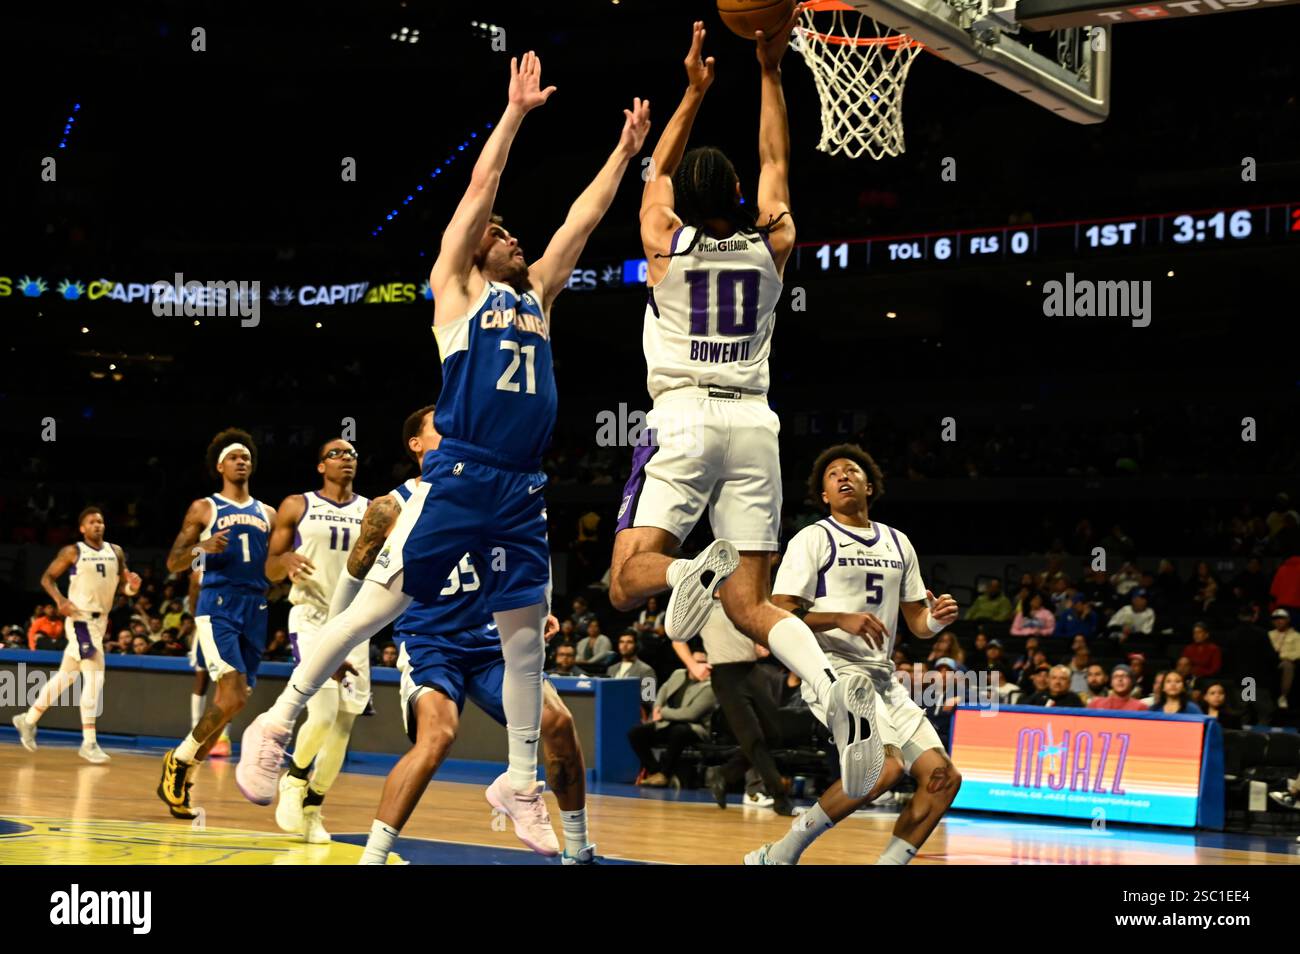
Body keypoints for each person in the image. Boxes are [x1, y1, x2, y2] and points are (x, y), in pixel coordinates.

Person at [236, 56, 651, 813]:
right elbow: (479, 190)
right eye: (501, 235)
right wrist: (515, 114)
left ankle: (522, 782)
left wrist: (623, 154)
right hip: (462, 473)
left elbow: (582, 221)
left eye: (513, 234)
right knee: (372, 611)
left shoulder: (540, 300)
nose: (514, 238)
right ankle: (277, 719)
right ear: (475, 250)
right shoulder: (458, 291)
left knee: (525, 638)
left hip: (523, 483)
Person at [605, 21, 883, 800]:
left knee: (627, 580)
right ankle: (835, 701)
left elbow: (655, 171)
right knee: (754, 607)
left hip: (686, 415)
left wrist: (693, 90)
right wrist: (770, 71)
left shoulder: (664, 244)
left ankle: (693, 567)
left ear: (685, 203)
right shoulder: (773, 242)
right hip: (757, 424)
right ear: (733, 197)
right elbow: (774, 159)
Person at [343, 423, 595, 863]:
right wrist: (338, 642)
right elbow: (355, 572)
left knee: (558, 722)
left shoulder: (485, 490)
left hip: (489, 639)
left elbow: (520, 554)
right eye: (439, 428)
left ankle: (578, 850)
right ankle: (375, 856)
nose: (455, 431)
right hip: (430, 642)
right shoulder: (391, 506)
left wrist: (537, 607)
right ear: (416, 445)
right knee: (438, 735)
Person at [747, 443, 961, 866]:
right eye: (832, 475)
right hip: (833, 672)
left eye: (851, 470)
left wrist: (936, 620)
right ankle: (782, 853)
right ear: (824, 495)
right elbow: (779, 613)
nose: (843, 476)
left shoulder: (899, 542)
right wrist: (840, 617)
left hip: (884, 678)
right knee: (885, 769)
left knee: (943, 778)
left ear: (869, 485)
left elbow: (917, 621)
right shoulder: (814, 537)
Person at [157, 429, 275, 820]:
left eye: (247, 456)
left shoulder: (268, 513)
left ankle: (183, 768)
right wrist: (201, 550)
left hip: (255, 607)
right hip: (219, 604)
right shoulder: (204, 509)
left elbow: (272, 567)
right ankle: (179, 762)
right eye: (235, 457)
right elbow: (174, 563)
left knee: (235, 701)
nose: (243, 461)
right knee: (228, 694)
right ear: (220, 466)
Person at [265, 438, 371, 844]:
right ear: (319, 465)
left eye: (352, 455)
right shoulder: (297, 504)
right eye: (336, 454)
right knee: (323, 712)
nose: (346, 459)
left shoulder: (373, 510)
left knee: (343, 726)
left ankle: (314, 808)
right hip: (311, 620)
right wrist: (284, 561)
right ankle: (293, 779)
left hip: (355, 624)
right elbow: (271, 568)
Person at [12, 506, 141, 763]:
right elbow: (47, 578)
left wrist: (132, 588)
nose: (98, 525)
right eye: (92, 522)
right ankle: (89, 742)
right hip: (80, 621)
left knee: (65, 678)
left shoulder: (115, 552)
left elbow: (122, 587)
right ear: (82, 528)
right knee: (95, 679)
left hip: (101, 622)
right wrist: (60, 600)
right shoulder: (73, 551)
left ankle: (27, 719)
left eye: (101, 521)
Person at [693, 604, 792, 815]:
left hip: (752, 670)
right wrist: (692, 665)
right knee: (753, 739)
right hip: (725, 674)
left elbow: (752, 626)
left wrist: (758, 643)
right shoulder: (702, 600)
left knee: (776, 733)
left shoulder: (740, 597)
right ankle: (780, 796)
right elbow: (676, 637)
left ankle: (725, 774)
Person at [628, 649, 717, 787]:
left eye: (703, 662)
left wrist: (662, 712)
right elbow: (663, 691)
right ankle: (656, 772)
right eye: (696, 662)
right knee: (636, 733)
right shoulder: (678, 674)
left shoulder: (710, 686)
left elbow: (690, 714)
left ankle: (665, 774)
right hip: (668, 723)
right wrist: (657, 708)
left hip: (694, 728)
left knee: (679, 731)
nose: (700, 666)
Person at [1268, 608, 1299, 709]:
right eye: (1275, 619)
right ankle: (1250, 697)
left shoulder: (1296, 636)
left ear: (1288, 620)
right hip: (1269, 661)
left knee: (1287, 665)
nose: (1278, 621)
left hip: (1285, 661)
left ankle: (1283, 696)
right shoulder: (1268, 634)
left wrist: (1282, 656)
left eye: (1281, 618)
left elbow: (1298, 653)